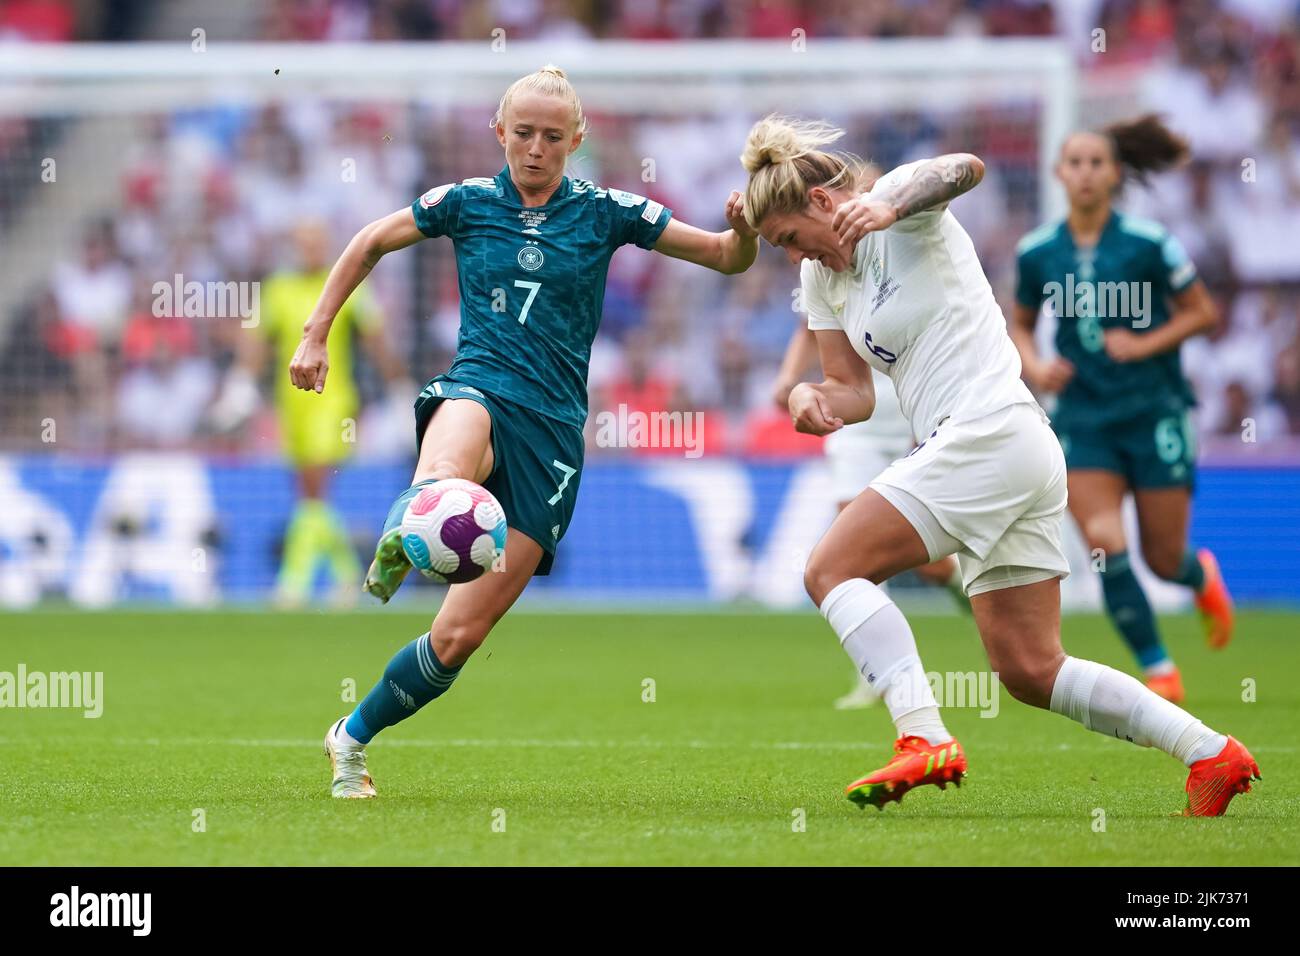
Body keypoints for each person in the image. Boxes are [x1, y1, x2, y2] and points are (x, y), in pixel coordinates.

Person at [741, 114, 1258, 816]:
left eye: (788, 237)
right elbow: (854, 394)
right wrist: (810, 397)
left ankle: (922, 734)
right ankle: (1212, 754)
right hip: (1003, 448)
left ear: (824, 204)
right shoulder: (822, 279)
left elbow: (965, 167)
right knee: (1029, 669)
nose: (788, 254)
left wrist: (891, 202)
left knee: (829, 568)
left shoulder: (895, 206)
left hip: (987, 429)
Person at [289, 65, 759, 797]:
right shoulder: (467, 203)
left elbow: (726, 258)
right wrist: (317, 333)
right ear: (498, 132)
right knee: (446, 464)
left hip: (553, 436)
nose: (535, 149)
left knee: (455, 640)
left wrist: (747, 228)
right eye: (523, 133)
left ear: (577, 140)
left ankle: (349, 737)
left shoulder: (610, 212)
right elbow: (370, 241)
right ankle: (414, 519)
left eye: (551, 137)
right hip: (479, 385)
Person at [1010, 116, 1232, 704]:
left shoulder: (1149, 243)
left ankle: (1198, 576)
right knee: (1106, 544)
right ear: (1059, 173)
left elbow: (1202, 313)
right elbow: (1021, 325)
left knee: (1162, 559)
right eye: (1074, 162)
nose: (1084, 173)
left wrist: (1144, 343)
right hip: (1083, 418)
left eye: (1096, 163)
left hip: (1154, 410)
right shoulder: (1037, 252)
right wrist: (1032, 364)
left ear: (1114, 174)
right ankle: (1159, 668)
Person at [772, 322, 968, 711]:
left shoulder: (898, 276)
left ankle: (977, 596)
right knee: (852, 560)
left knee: (932, 568)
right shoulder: (824, 275)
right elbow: (807, 327)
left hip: (913, 425)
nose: (796, 256)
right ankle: (877, 674)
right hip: (852, 430)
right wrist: (788, 379)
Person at [214, 218, 408, 607]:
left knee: (314, 491)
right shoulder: (278, 290)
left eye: (317, 243)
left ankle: (295, 581)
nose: (310, 251)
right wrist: (239, 385)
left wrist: (399, 388)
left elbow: (376, 339)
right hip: (292, 405)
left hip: (332, 402)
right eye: (303, 243)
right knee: (308, 496)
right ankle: (347, 576)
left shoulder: (348, 283)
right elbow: (257, 342)